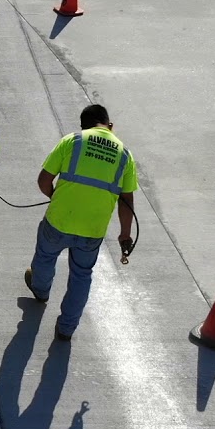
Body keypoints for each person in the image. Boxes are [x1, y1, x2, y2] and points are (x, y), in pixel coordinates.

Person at [24, 104, 137, 341]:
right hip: (92, 230)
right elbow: (126, 201)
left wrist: (55, 197)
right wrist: (125, 234)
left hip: (59, 220)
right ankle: (66, 328)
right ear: (110, 125)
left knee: (45, 256)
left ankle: (41, 291)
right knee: (81, 275)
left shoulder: (73, 141)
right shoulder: (125, 155)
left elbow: (44, 179)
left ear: (84, 126)